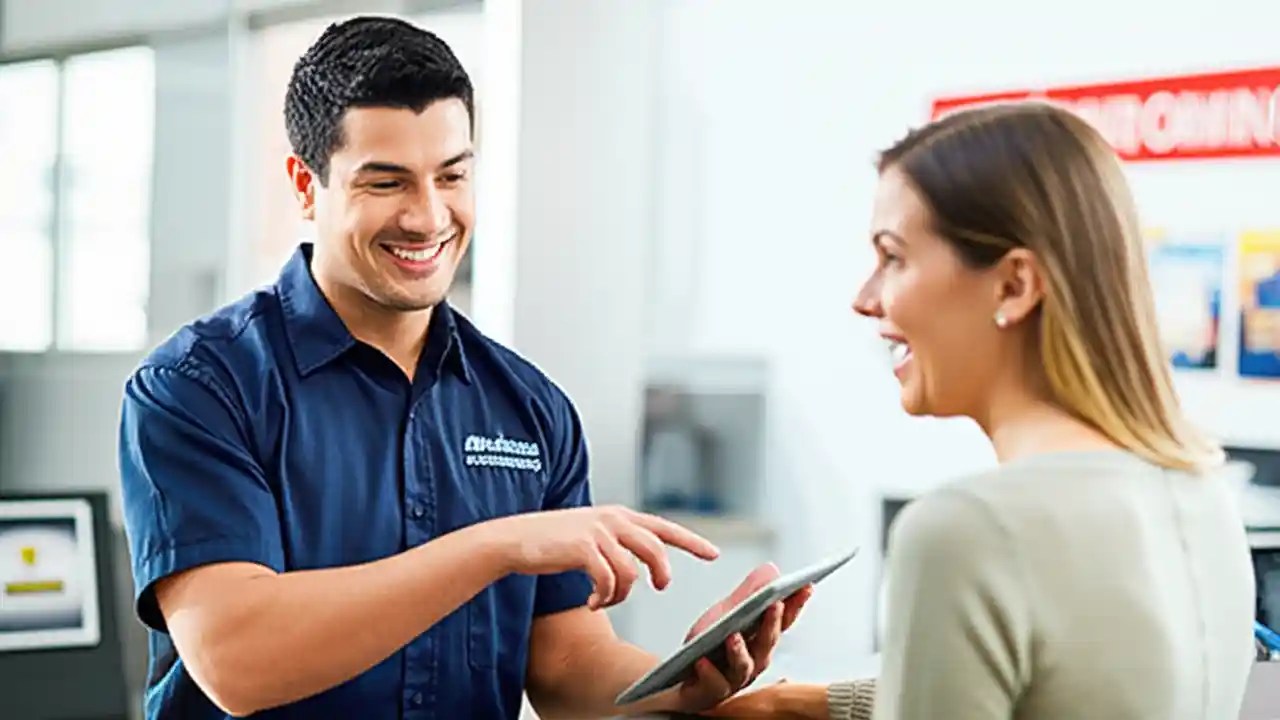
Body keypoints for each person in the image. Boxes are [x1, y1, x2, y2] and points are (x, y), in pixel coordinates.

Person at [116, 16, 809, 720]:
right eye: (386, 183)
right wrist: (497, 547)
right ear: (305, 184)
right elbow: (238, 661)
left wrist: (682, 685)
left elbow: (567, 667)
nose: (427, 217)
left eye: (451, 176)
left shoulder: (530, 407)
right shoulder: (199, 388)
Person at [703, 101, 1256, 719]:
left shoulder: (967, 530)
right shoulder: (1203, 498)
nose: (865, 299)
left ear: (1014, 285)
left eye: (893, 258)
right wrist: (804, 705)